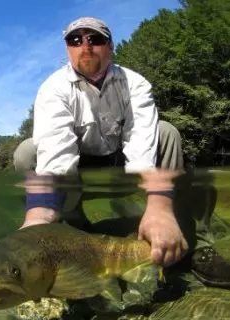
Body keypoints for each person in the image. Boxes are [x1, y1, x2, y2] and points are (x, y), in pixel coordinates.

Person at [14, 17, 230, 287]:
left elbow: (142, 141)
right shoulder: (53, 88)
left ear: (111, 46)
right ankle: (73, 232)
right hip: (78, 169)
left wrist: (158, 207)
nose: (86, 46)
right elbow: (57, 153)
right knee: (27, 152)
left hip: (125, 162)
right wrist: (38, 216)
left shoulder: (135, 83)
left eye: (95, 39)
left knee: (167, 133)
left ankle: (190, 241)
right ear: (67, 48)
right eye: (75, 40)